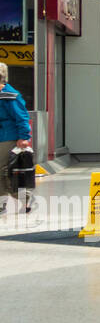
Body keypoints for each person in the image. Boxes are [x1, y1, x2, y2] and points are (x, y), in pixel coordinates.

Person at [0, 62, 33, 215]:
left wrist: (24, 137)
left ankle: (25, 198)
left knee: (6, 171)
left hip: (8, 137)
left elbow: (21, 117)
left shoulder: (10, 95)